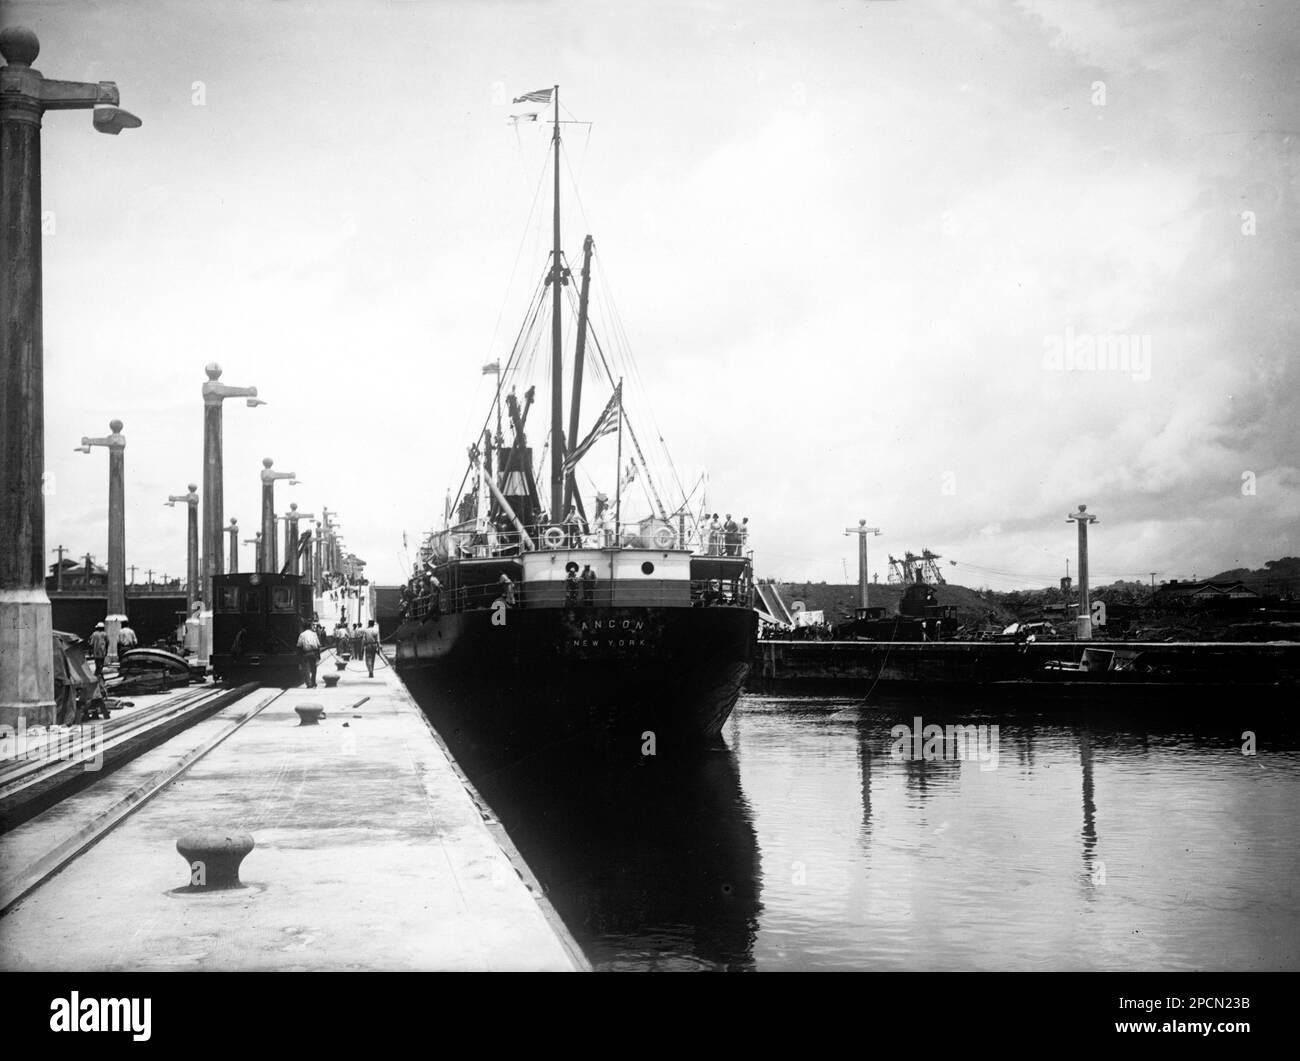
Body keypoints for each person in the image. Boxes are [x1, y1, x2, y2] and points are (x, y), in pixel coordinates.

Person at [296, 622, 321, 688]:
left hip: (306, 653)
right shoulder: (314, 634)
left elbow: (299, 645)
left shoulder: (302, 634)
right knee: (314, 669)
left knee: (306, 669)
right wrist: (318, 656)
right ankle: (313, 683)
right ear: (310, 627)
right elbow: (318, 645)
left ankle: (309, 684)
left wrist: (299, 656)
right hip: (314, 653)